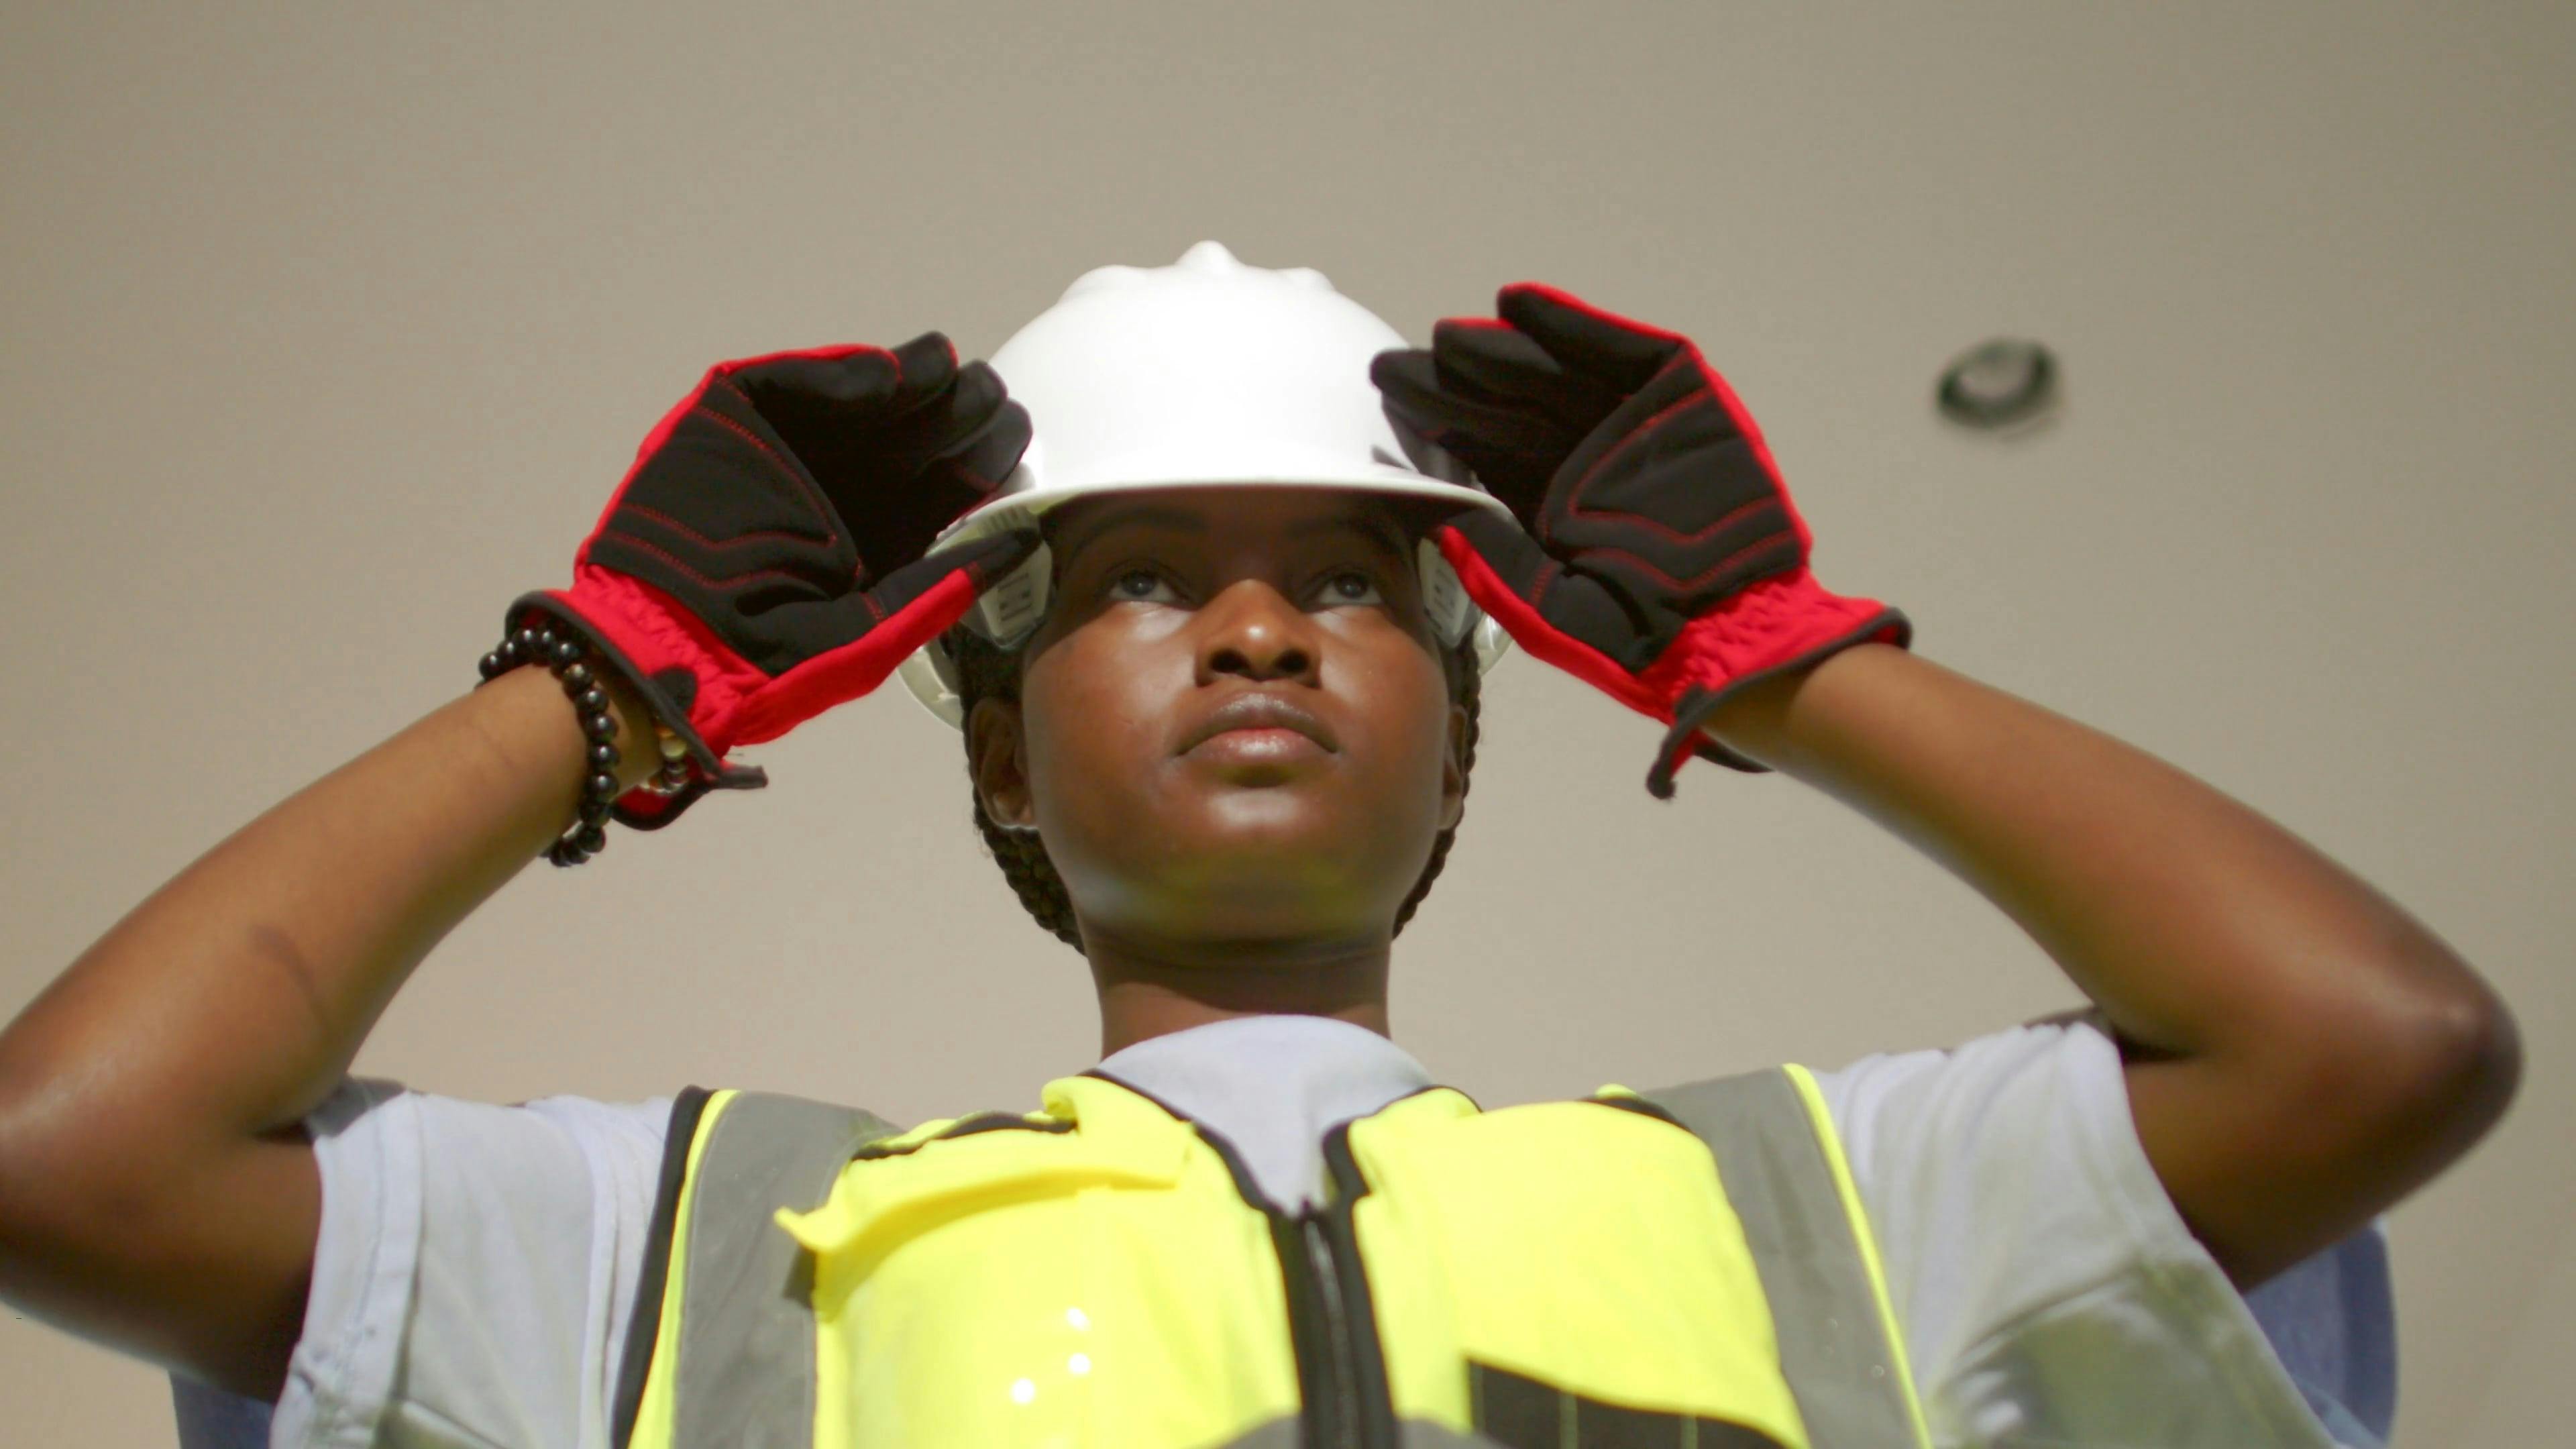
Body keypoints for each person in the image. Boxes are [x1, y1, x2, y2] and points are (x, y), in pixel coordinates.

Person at [0, 241, 2515, 1449]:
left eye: (1343, 582)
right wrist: (602, 688)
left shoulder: (1815, 1211)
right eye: (1136, 587)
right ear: (992, 750)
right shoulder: (701, 1252)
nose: (1254, 634)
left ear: (1468, 730)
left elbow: (2374, 1044)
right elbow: (76, 1158)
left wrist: (1788, 658)